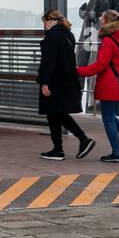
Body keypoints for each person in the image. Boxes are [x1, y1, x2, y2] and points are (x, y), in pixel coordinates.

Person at [77, 10, 119, 163]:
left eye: (102, 18)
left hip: (109, 84)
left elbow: (100, 65)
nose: (100, 20)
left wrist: (78, 71)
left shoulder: (108, 41)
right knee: (111, 116)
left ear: (107, 21)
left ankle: (117, 152)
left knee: (108, 119)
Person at [36, 9, 95, 161]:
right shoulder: (68, 34)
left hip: (55, 82)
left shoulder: (52, 37)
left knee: (57, 113)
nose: (44, 24)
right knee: (56, 114)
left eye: (45, 21)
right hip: (67, 80)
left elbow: (49, 63)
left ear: (52, 20)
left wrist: (44, 83)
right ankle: (59, 149)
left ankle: (81, 140)